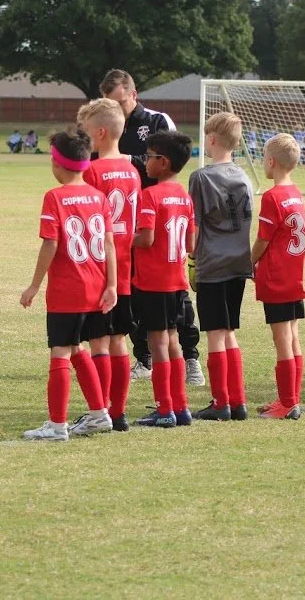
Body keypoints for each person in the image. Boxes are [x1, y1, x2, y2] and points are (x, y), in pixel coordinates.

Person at [100, 69, 201, 385]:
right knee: (132, 292)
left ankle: (190, 358)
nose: (114, 109)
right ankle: (143, 358)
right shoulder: (104, 124)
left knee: (175, 294)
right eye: (108, 104)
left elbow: (170, 160)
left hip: (157, 221)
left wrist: (127, 161)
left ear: (133, 95)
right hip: (126, 225)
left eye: (118, 102)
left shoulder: (157, 121)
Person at [19, 130, 117, 441]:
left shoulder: (55, 196)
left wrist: (34, 285)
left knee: (59, 352)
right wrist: (112, 285)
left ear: (59, 163)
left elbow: (50, 243)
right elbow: (110, 244)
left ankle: (57, 424)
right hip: (96, 286)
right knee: (78, 347)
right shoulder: (98, 196)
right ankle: (100, 413)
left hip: (67, 289)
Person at [77, 99, 142, 433]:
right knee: (119, 341)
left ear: (100, 133)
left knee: (98, 342)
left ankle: (99, 410)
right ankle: (117, 413)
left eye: (87, 132)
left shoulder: (91, 171)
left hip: (99, 269)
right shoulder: (132, 171)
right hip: (126, 269)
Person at [187, 113, 254, 422]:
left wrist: (189, 255)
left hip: (213, 262)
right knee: (229, 331)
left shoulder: (201, 177)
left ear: (211, 139)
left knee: (215, 332)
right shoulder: (243, 177)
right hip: (239, 261)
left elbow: (196, 226)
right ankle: (237, 401)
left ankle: (220, 402)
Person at [131, 131, 196, 428]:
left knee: (157, 342)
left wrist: (120, 239)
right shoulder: (184, 195)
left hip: (153, 281)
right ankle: (180, 407)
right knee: (173, 341)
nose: (145, 162)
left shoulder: (150, 195)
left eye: (150, 156)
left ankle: (164, 408)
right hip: (176, 279)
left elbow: (146, 239)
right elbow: (191, 243)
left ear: (164, 162)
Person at [251, 134, 305, 420]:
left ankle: (288, 403)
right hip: (294, 276)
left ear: (271, 161)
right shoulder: (296, 192)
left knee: (282, 339)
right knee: (293, 336)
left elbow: (263, 239)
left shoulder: (273, 196)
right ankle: (291, 398)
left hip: (276, 277)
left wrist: (250, 262)